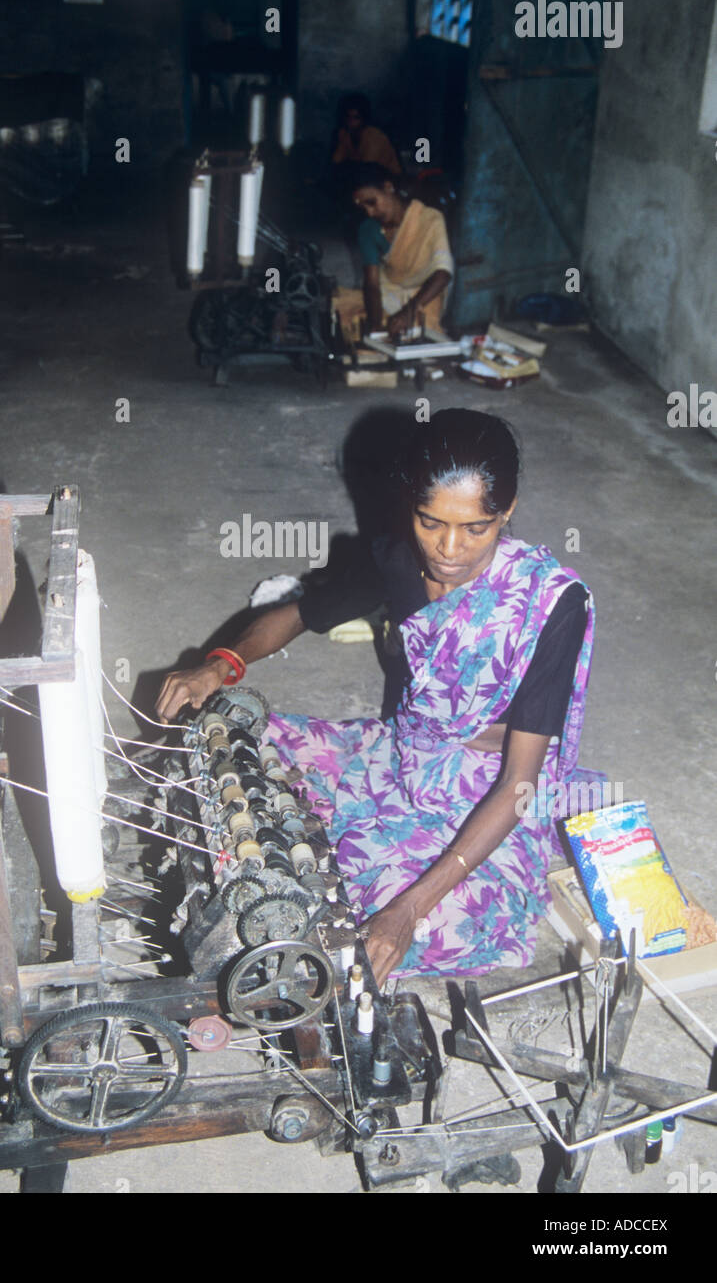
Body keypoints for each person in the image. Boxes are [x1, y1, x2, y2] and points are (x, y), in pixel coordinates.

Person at [156, 409, 601, 987]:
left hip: (491, 790)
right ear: (410, 507)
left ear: (506, 512)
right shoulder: (398, 557)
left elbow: (522, 782)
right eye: (430, 521)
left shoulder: (548, 605)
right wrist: (221, 664)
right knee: (235, 733)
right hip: (404, 749)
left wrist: (409, 909)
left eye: (476, 528)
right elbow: (301, 612)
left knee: (396, 926)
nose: (449, 548)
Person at [333, 162, 454, 345]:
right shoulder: (368, 229)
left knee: (418, 332)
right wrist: (374, 325)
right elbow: (372, 284)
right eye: (363, 208)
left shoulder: (430, 219)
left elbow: (443, 273)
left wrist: (408, 311)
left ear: (388, 188)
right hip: (389, 291)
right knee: (341, 308)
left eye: (372, 202)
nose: (370, 212)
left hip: (423, 294)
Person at [331, 94, 402, 176]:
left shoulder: (375, 137)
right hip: (362, 178)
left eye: (356, 118)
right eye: (348, 117)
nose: (351, 122)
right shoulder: (344, 134)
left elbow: (368, 169)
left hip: (388, 180)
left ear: (364, 119)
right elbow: (336, 164)